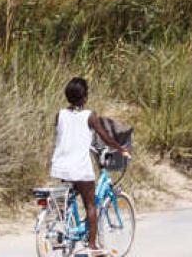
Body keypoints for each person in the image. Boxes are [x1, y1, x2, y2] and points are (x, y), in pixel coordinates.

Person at [50, 76, 128, 256]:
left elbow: (66, 134)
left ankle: (69, 229)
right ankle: (92, 246)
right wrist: (120, 148)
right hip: (79, 167)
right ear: (85, 97)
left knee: (71, 198)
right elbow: (104, 136)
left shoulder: (60, 114)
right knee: (91, 204)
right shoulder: (89, 116)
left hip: (61, 165)